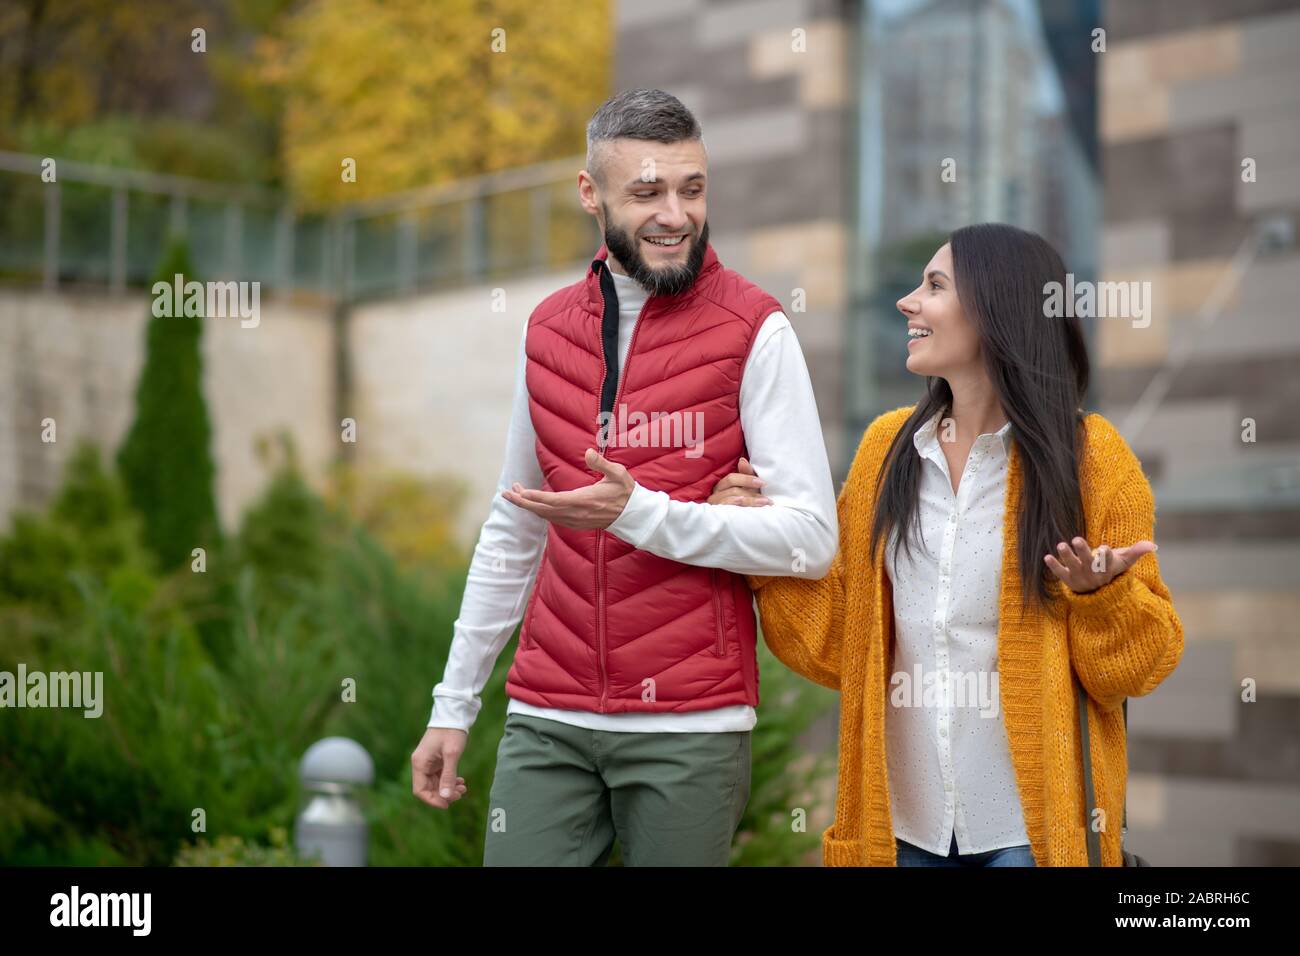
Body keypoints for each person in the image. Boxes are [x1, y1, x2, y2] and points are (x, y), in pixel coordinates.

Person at [410, 89, 838, 866]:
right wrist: (453, 706)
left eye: (692, 189)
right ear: (590, 194)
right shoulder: (545, 330)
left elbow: (811, 540)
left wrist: (639, 512)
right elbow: (515, 526)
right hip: (547, 714)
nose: (675, 214)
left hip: (690, 725)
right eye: (647, 192)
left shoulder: (756, 329)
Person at [708, 223, 1184, 866]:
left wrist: (1102, 600)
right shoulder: (887, 450)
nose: (908, 302)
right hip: (898, 835)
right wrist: (762, 545)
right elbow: (835, 646)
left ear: (998, 308)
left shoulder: (1091, 458)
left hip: (1027, 837)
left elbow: (1136, 670)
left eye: (934, 286)